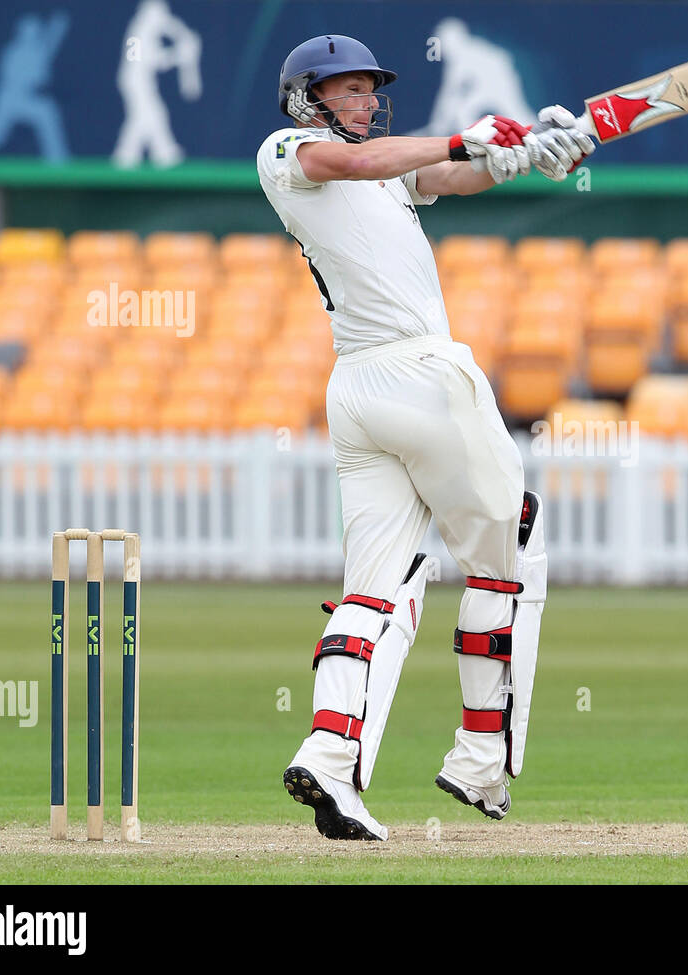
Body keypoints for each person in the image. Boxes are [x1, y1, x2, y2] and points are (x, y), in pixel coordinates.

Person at [256, 34, 594, 840]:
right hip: (420, 375)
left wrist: (534, 155)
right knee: (510, 551)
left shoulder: (387, 165)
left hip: (359, 396)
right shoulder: (290, 152)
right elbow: (354, 165)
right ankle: (481, 758)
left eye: (372, 89)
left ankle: (331, 763)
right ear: (307, 98)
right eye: (349, 91)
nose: (367, 101)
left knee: (378, 586)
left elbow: (449, 175)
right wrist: (462, 134)